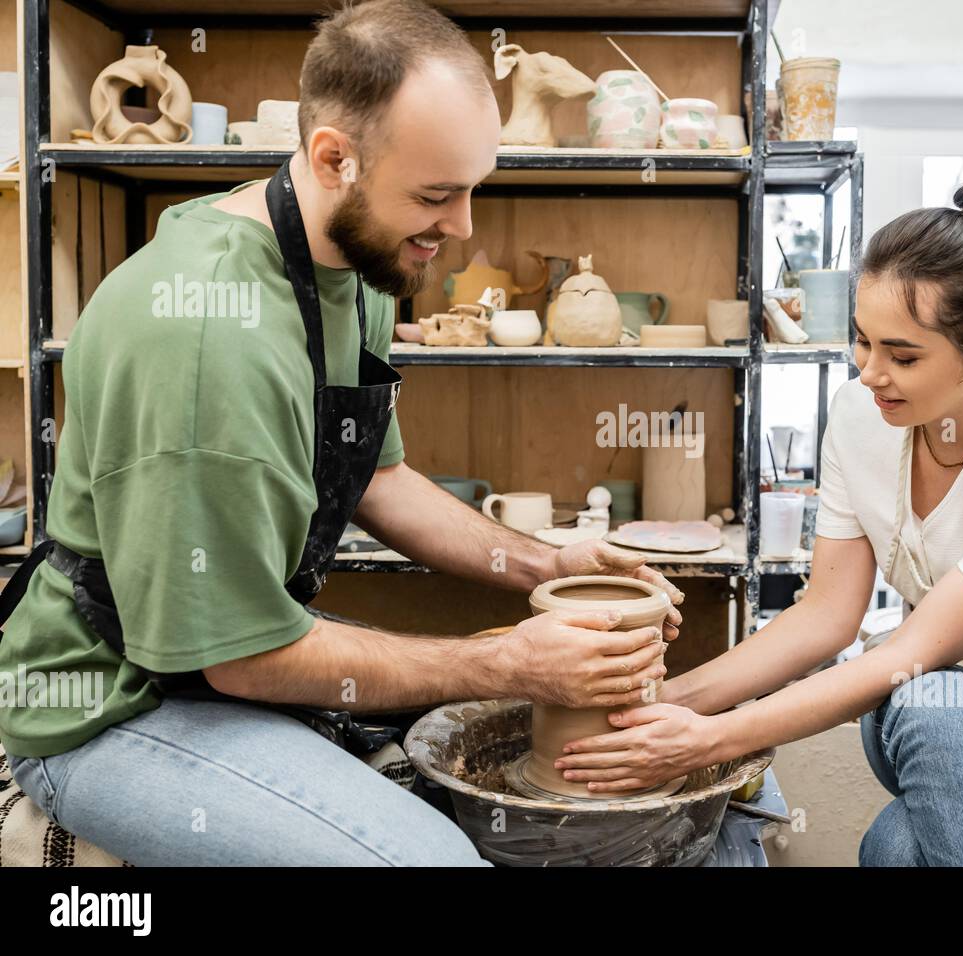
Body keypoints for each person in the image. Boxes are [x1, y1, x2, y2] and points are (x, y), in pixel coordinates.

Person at [0, 0, 682, 866]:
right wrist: (510, 663)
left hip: (219, 654)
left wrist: (546, 563)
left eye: (473, 187)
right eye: (436, 196)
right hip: (108, 704)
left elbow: (374, 476)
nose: (464, 227)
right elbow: (244, 659)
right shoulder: (204, 337)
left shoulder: (349, 262)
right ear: (333, 157)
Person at [552, 180, 963, 866]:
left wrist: (707, 741)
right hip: (933, 698)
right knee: (932, 705)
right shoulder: (861, 418)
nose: (870, 373)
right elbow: (826, 617)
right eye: (862, 341)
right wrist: (669, 703)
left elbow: (902, 653)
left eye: (904, 355)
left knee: (896, 849)